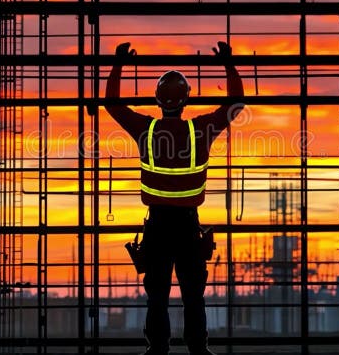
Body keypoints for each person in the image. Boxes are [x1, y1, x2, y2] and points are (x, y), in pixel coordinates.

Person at [105, 41, 245, 355]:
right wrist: (228, 63)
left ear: (157, 100)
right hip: (187, 225)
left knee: (157, 294)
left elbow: (112, 105)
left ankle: (158, 349)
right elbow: (235, 104)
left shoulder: (147, 129)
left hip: (157, 225)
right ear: (186, 100)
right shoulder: (200, 130)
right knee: (193, 293)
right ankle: (198, 348)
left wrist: (118, 65)